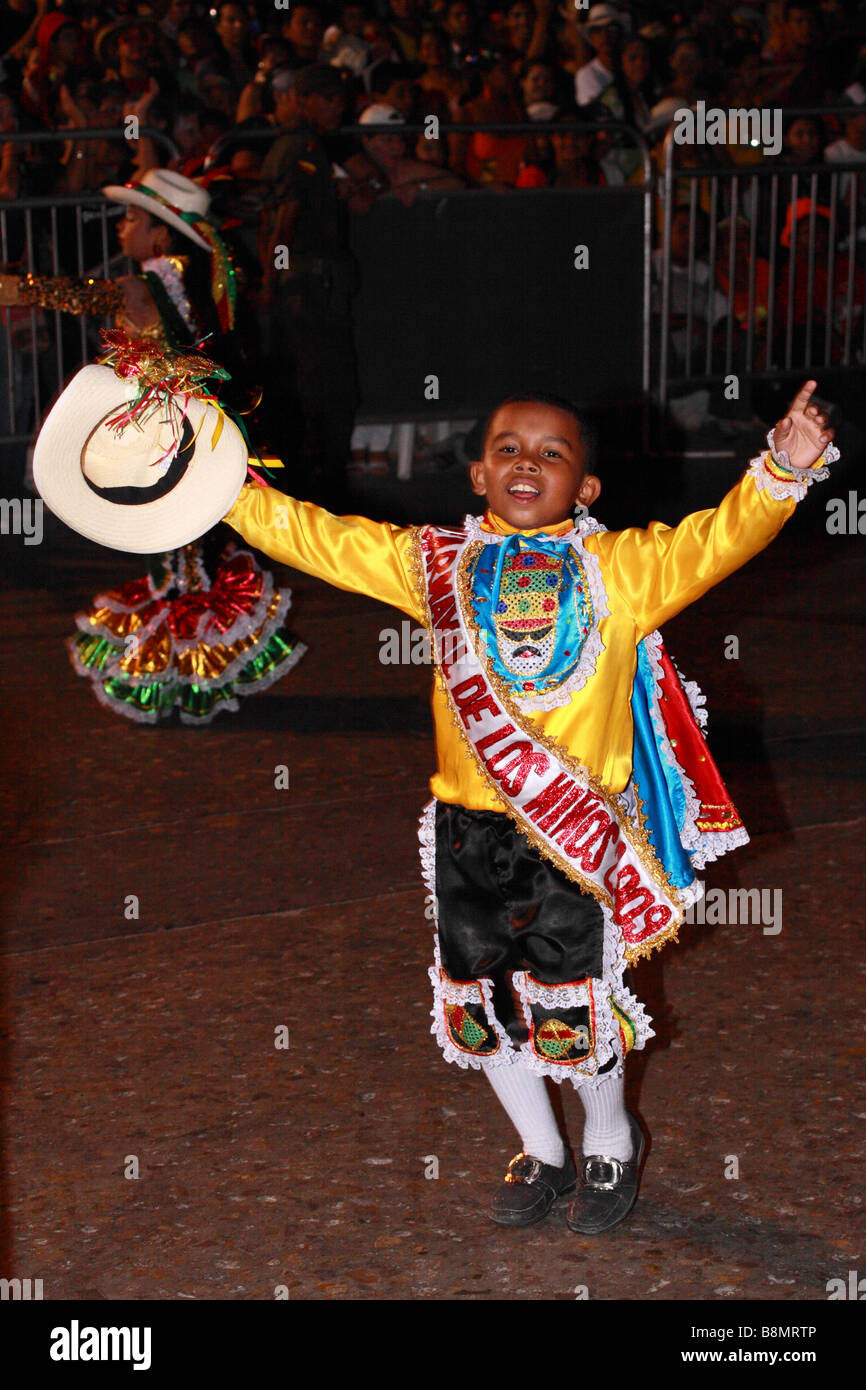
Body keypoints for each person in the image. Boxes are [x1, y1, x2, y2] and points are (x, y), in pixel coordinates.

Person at [215, 382, 836, 1230]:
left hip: (570, 841)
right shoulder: (429, 563)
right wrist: (217, 481)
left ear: (585, 489)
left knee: (571, 1007)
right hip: (466, 830)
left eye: (552, 453)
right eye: (508, 448)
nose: (526, 463)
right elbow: (315, 537)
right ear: (476, 473)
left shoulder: (625, 569)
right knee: (478, 1005)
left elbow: (717, 541)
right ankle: (542, 1153)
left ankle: (612, 1145)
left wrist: (782, 471)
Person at [0, 168, 305, 723]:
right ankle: (189, 676)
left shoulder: (155, 281)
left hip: (169, 441)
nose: (122, 228)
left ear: (162, 235)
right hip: (176, 431)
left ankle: (193, 678)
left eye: (134, 219)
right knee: (179, 550)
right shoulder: (185, 279)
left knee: (178, 555)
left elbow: (84, 294)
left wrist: (16, 287)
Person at [257, 64, 362, 506]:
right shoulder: (298, 146)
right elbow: (286, 214)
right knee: (321, 389)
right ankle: (315, 490)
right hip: (305, 285)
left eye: (340, 98)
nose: (337, 106)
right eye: (327, 97)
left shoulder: (314, 146)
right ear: (303, 100)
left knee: (323, 388)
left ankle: (315, 486)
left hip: (310, 282)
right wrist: (270, 279)